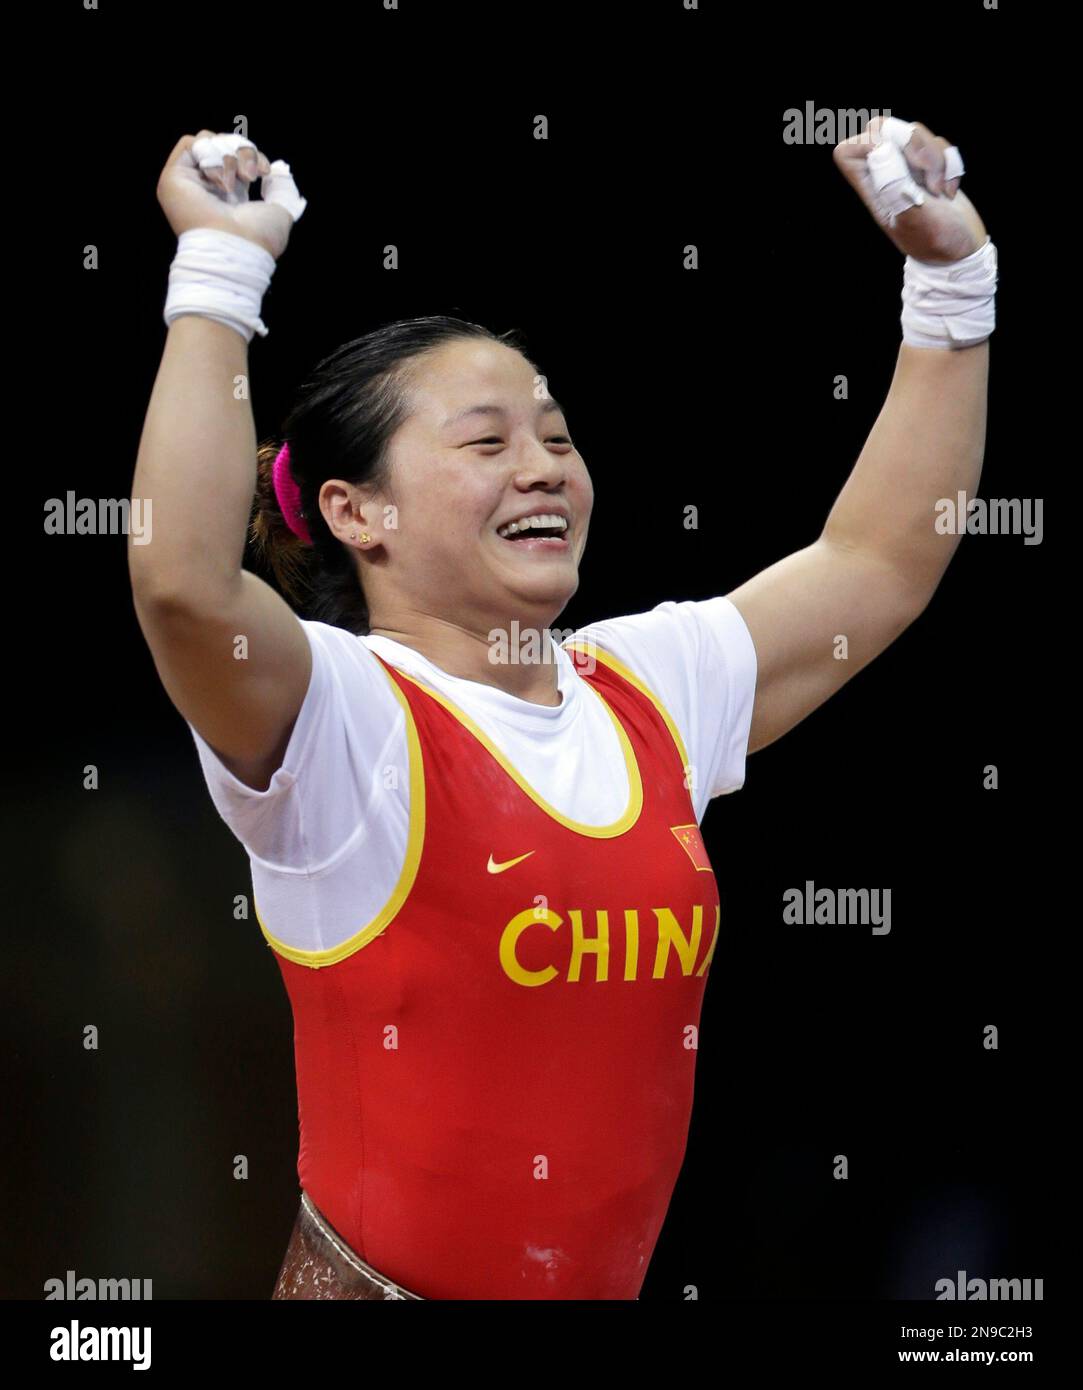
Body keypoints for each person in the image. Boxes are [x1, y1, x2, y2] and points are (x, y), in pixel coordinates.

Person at [129, 118, 996, 1300]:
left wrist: (953, 285)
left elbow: (880, 562)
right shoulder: (343, 717)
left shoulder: (648, 685)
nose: (543, 467)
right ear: (354, 511)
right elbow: (181, 581)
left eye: (557, 436)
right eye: (487, 442)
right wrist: (219, 272)